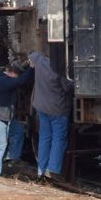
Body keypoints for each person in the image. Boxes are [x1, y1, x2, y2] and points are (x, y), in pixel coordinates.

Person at [0, 63, 34, 180]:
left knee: (18, 130)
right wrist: (31, 67)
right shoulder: (2, 80)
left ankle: (11, 158)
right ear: (11, 73)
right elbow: (21, 81)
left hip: (5, 115)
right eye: (16, 76)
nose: (16, 78)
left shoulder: (3, 79)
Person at [27, 50, 74, 180]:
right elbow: (68, 87)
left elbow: (31, 55)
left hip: (41, 107)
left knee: (44, 137)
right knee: (58, 138)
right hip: (57, 109)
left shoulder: (40, 60)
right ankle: (52, 169)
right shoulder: (60, 70)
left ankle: (40, 169)